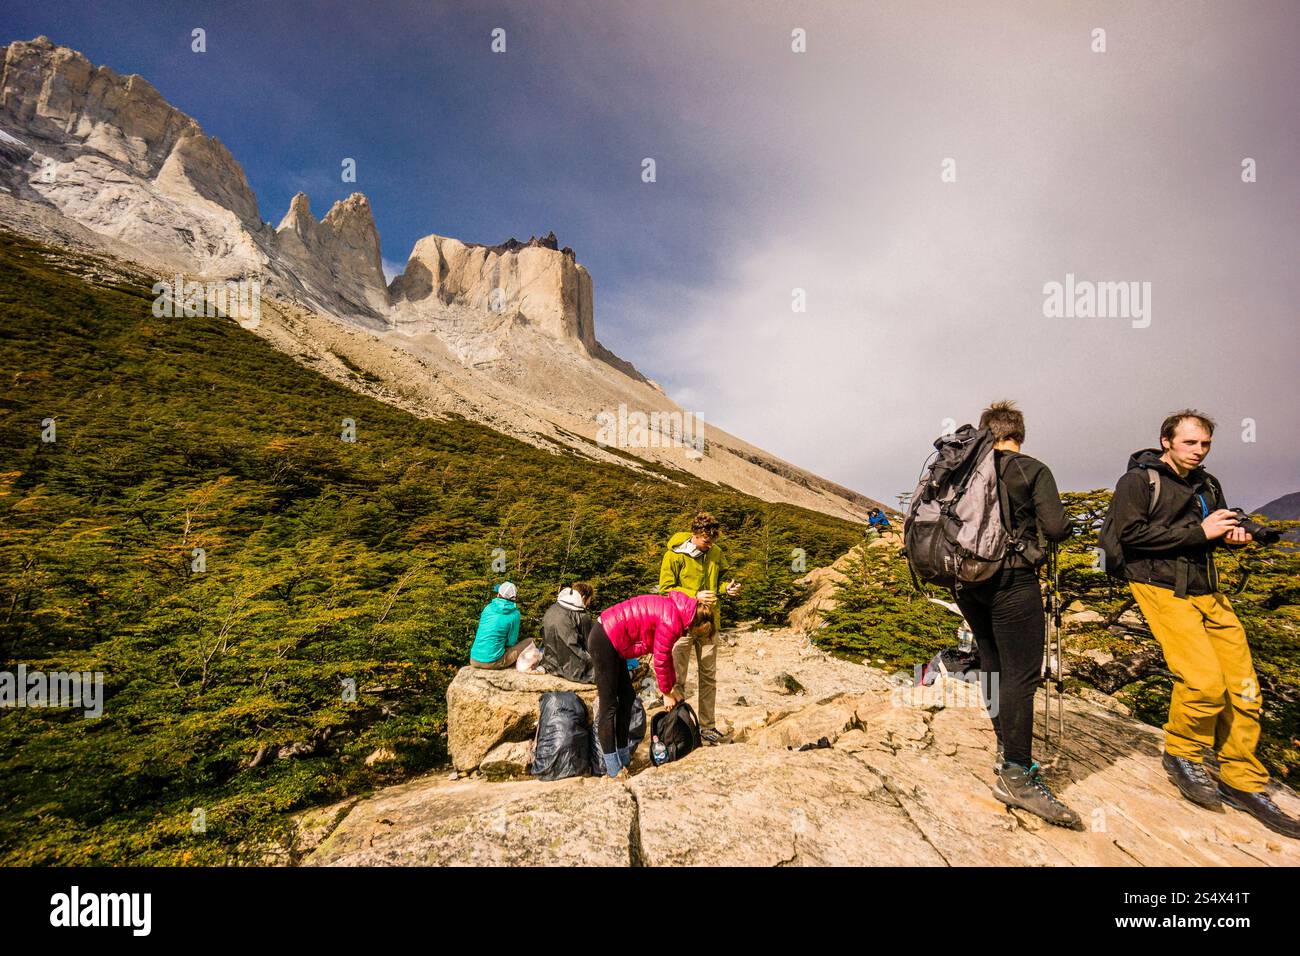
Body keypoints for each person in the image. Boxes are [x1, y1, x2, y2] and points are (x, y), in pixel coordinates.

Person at [1113, 410, 1298, 838]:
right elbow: (1130, 535)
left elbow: (1208, 536)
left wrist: (1231, 537)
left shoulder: (1207, 484)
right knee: (1202, 681)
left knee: (1245, 689)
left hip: (1207, 591)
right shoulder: (1139, 482)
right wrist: (1201, 531)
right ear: (1166, 441)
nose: (1199, 451)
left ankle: (1242, 780)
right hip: (1159, 587)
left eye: (1205, 444)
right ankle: (1182, 755)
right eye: (1190, 443)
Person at [953, 401, 1081, 828]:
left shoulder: (963, 469)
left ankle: (1003, 748)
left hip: (967, 581)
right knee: (1021, 674)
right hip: (1011, 579)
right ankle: (1017, 774)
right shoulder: (1031, 468)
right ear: (1019, 435)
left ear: (987, 433)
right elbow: (1058, 527)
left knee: (990, 661)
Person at [589, 590, 714, 778]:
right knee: (609, 705)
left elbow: (666, 656)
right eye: (700, 633)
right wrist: (666, 693)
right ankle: (613, 770)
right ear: (696, 625)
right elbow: (661, 661)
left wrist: (672, 688)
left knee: (627, 698)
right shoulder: (672, 621)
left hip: (616, 640)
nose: (697, 637)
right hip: (604, 637)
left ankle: (623, 759)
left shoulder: (677, 613)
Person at [658, 510, 740, 744]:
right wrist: (694, 595)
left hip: (709, 623)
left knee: (708, 676)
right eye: (706, 541)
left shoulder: (716, 552)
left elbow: (720, 583)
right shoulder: (674, 555)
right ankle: (675, 727)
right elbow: (665, 589)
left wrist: (727, 589)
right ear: (695, 534)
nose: (709, 545)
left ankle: (707, 727)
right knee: (677, 678)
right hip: (682, 625)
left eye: (713, 541)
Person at [539, 582, 595, 683]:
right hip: (573, 667)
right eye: (589, 600)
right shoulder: (581, 615)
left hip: (550, 663)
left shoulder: (552, 609)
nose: (588, 604)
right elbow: (591, 644)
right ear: (583, 597)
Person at [469, 582, 530, 669]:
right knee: (530, 641)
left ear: (498, 594)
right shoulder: (515, 614)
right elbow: (511, 642)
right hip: (492, 662)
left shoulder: (488, 608)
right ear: (514, 597)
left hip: (474, 659)